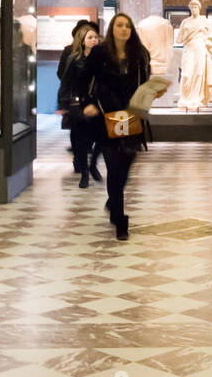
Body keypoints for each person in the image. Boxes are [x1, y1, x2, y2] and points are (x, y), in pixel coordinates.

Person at [82, 12, 157, 240]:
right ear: (112, 29)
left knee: (125, 164)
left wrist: (153, 91)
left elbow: (145, 82)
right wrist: (89, 104)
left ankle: (113, 200)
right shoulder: (100, 53)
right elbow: (83, 79)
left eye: (127, 26)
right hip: (106, 115)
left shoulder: (140, 54)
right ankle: (120, 219)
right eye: (119, 25)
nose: (124, 29)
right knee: (114, 166)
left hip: (130, 115)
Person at [59, 23, 103, 188]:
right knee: (81, 141)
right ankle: (84, 173)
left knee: (101, 138)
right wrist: (64, 103)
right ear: (83, 41)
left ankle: (93, 166)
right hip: (80, 103)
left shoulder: (102, 59)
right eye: (90, 38)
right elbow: (66, 81)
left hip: (98, 102)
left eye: (95, 37)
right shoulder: (75, 58)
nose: (93, 40)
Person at [56, 18, 93, 166]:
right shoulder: (70, 52)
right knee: (78, 126)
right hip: (76, 96)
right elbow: (62, 74)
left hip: (84, 96)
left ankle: (81, 157)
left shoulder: (95, 52)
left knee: (79, 127)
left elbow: (60, 73)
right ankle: (80, 158)